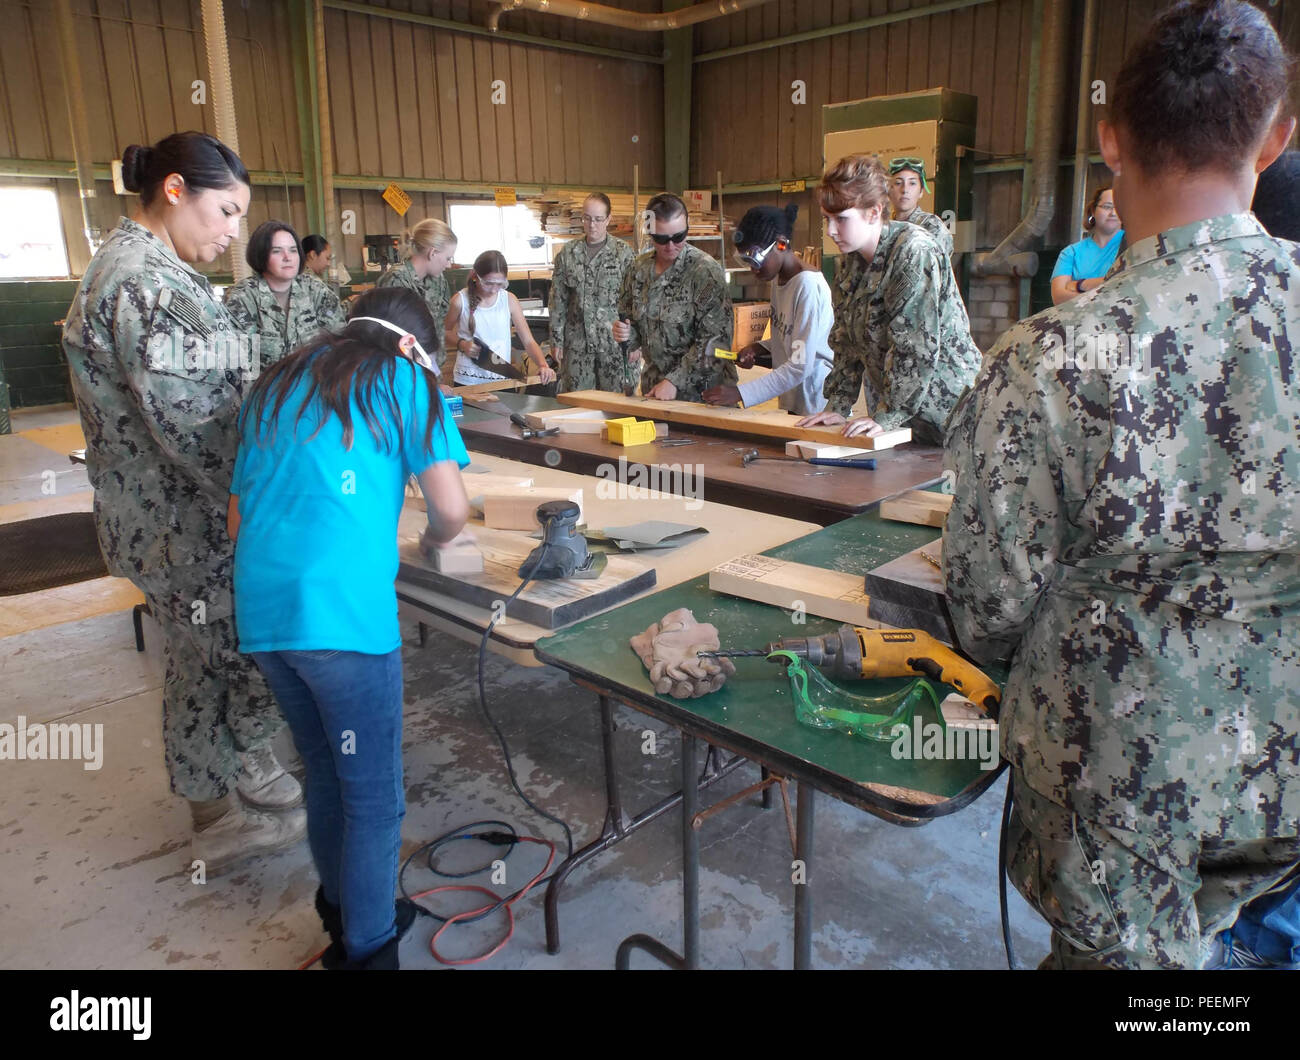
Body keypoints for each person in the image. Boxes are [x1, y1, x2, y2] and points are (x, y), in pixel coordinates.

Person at [943, 0, 1299, 970]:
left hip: (1115, 806)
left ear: (1109, 139)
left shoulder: (1043, 361)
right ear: (1276, 136)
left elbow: (987, 610)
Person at [62, 131, 306, 875]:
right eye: (226, 211)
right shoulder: (147, 284)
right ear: (175, 190)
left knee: (205, 659)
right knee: (239, 653)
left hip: (171, 518)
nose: (236, 232)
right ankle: (221, 808)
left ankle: (236, 780)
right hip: (186, 521)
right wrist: (289, 489)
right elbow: (196, 429)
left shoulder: (151, 269)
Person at [229, 287, 472, 970]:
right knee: (374, 799)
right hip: (343, 622)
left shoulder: (274, 383)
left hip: (266, 616)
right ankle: (368, 954)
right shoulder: (402, 378)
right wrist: (425, 539)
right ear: (411, 346)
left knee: (327, 776)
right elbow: (451, 509)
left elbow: (237, 521)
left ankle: (346, 913)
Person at [798, 154, 981, 445]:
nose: (831, 231)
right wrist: (837, 406)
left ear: (874, 212)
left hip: (952, 416)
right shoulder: (850, 262)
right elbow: (845, 341)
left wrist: (888, 415)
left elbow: (914, 347)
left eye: (841, 219)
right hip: (902, 420)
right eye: (827, 219)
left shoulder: (913, 251)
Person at [702, 203, 832, 416]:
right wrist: (758, 348)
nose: (753, 269)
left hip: (816, 404)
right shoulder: (778, 279)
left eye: (756, 260)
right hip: (794, 399)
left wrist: (740, 393)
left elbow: (800, 364)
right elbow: (790, 335)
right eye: (746, 261)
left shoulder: (807, 285)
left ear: (781, 244)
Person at [613, 192, 734, 401]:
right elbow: (631, 324)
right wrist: (625, 334)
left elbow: (717, 342)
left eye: (678, 237)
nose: (671, 246)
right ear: (650, 233)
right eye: (662, 239)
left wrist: (674, 381)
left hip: (703, 395)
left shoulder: (705, 272)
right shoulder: (638, 270)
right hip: (655, 392)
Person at [224, 220, 345, 366]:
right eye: (277, 251)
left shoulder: (316, 290)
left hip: (313, 384)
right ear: (261, 255)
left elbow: (338, 343)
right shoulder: (244, 298)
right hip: (264, 387)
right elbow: (237, 364)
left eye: (293, 250)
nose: (287, 257)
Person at [549, 192, 636, 393]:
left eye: (598, 219)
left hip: (614, 346)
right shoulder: (568, 254)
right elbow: (557, 301)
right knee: (579, 407)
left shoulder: (624, 253)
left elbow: (636, 300)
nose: (592, 225)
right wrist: (556, 340)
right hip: (577, 346)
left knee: (617, 407)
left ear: (608, 219)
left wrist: (636, 342)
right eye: (587, 218)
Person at [445, 250, 555, 386]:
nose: (493, 289)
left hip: (502, 378)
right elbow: (444, 332)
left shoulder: (509, 299)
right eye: (488, 283)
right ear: (475, 276)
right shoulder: (460, 300)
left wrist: (543, 365)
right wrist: (462, 344)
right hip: (468, 379)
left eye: (499, 284)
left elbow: (528, 341)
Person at [377, 218, 457, 371]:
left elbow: (440, 324)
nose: (448, 265)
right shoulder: (395, 281)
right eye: (447, 258)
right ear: (432, 253)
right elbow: (388, 338)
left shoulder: (439, 281)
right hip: (401, 371)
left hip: (430, 369)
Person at [1049, 186, 1124, 304]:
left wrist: (1081, 284)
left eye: (1118, 207)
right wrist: (1104, 290)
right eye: (1107, 207)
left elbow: (1124, 283)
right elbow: (1059, 298)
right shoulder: (1071, 252)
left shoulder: (1132, 243)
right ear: (1093, 211)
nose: (1113, 213)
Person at [887, 157, 954, 257]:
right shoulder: (885, 229)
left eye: (912, 183)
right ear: (888, 190)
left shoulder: (932, 226)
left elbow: (936, 267)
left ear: (921, 192)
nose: (905, 189)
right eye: (898, 183)